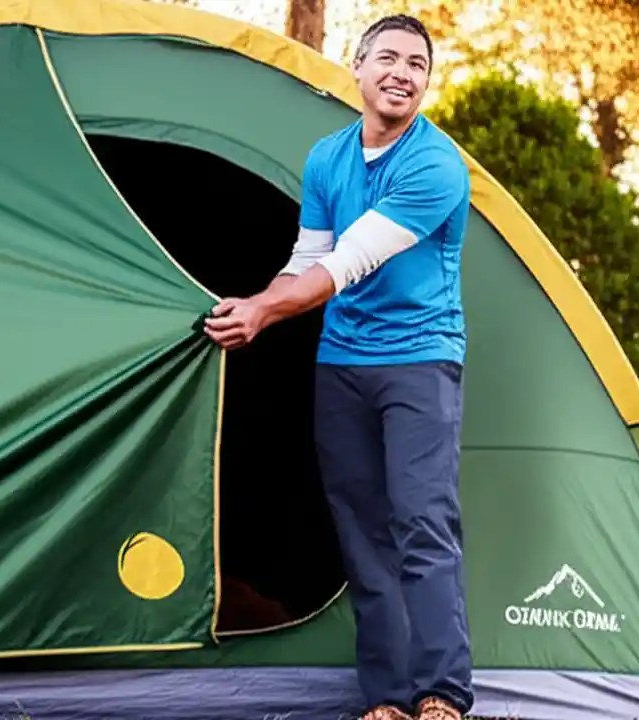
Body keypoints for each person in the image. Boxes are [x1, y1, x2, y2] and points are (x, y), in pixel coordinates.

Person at [202, 14, 473, 720]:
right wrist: (257, 301)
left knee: (423, 523)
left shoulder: (436, 165)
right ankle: (386, 697)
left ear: (425, 83)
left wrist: (263, 313)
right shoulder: (327, 158)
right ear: (356, 69)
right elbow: (305, 259)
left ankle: (444, 693)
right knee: (361, 530)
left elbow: (347, 263)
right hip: (343, 362)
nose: (402, 73)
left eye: (417, 64)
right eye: (387, 58)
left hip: (419, 361)